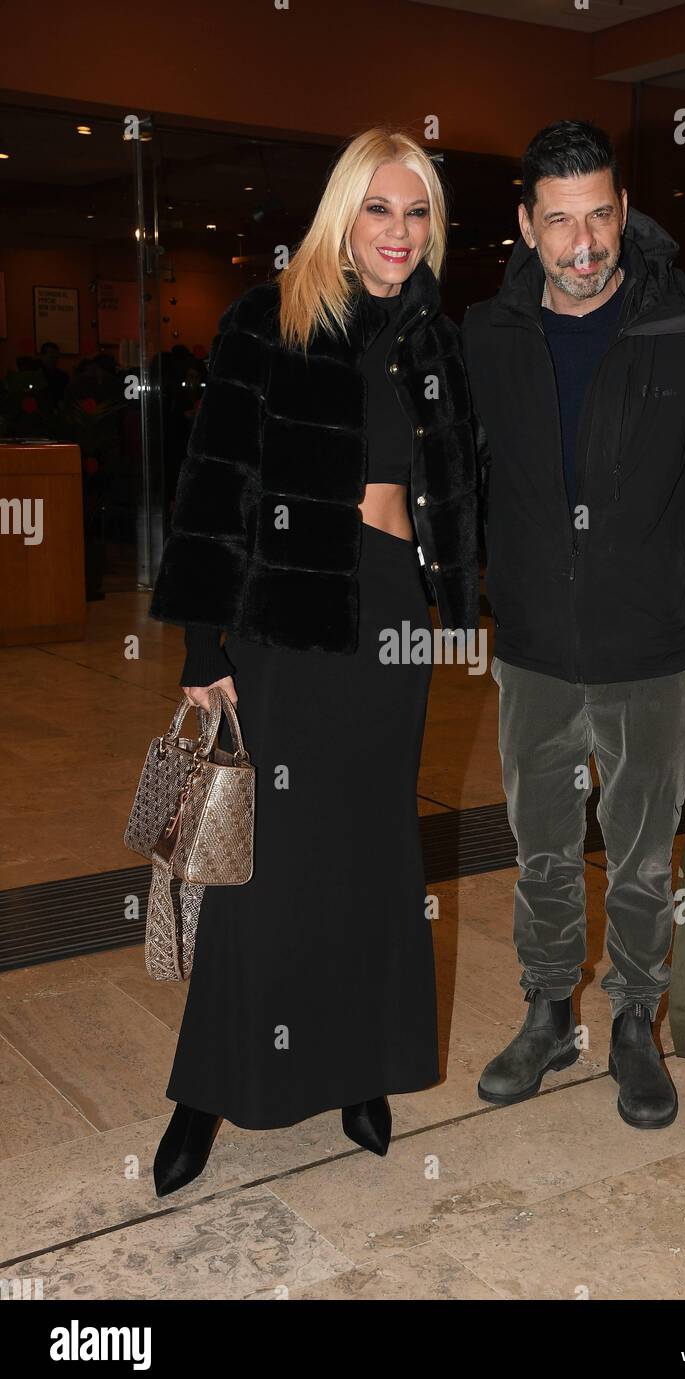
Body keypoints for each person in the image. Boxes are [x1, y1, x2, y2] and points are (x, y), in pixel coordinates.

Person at [146, 127, 479, 1195]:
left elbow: (459, 491)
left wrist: (457, 603)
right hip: (282, 618)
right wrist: (204, 646)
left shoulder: (436, 340)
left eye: (416, 211)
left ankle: (360, 1070)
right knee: (259, 860)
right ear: (342, 215)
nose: (397, 231)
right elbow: (209, 486)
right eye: (378, 208)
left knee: (374, 850)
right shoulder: (271, 317)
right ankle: (204, 1091)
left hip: (391, 621)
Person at [461, 120, 685, 1129]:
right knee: (543, 851)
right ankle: (549, 1009)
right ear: (524, 225)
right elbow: (457, 481)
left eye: (599, 213)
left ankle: (633, 1022)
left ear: (622, 210)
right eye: (559, 221)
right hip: (537, 652)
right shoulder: (485, 336)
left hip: (653, 651)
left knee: (640, 858)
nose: (583, 240)